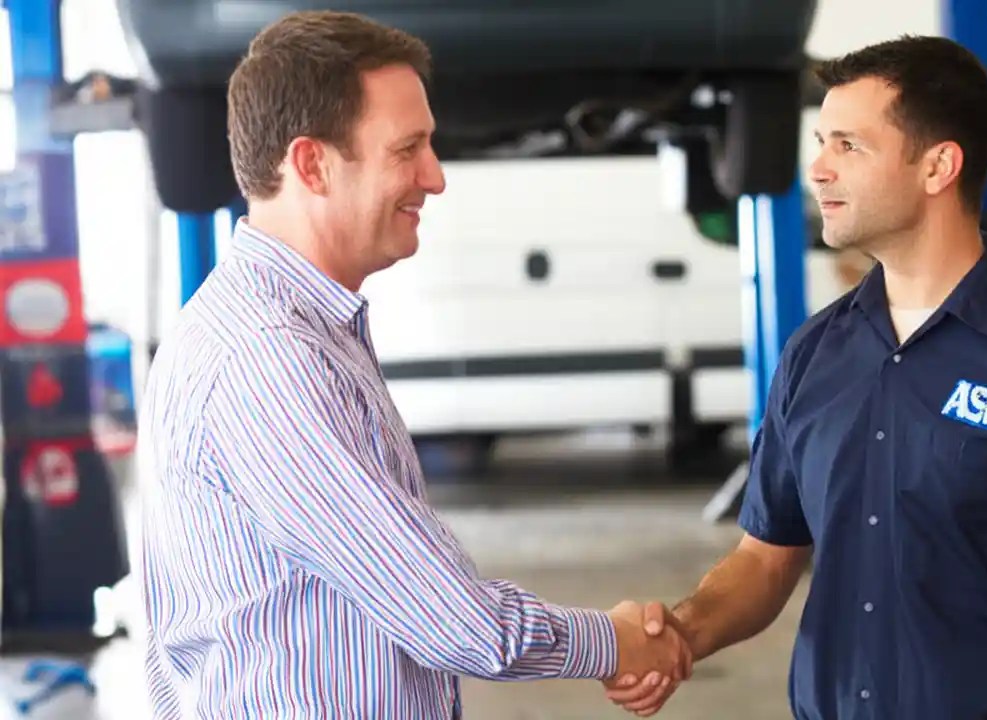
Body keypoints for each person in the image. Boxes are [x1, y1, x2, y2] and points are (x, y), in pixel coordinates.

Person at [606, 35, 987, 719]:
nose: (818, 169)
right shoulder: (812, 356)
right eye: (821, 141)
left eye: (848, 146)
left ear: (938, 165)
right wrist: (681, 632)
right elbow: (765, 558)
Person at [136, 10, 689, 718]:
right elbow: (453, 619)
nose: (435, 177)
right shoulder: (265, 357)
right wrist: (612, 643)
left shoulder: (297, 328)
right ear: (312, 164)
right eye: (409, 149)